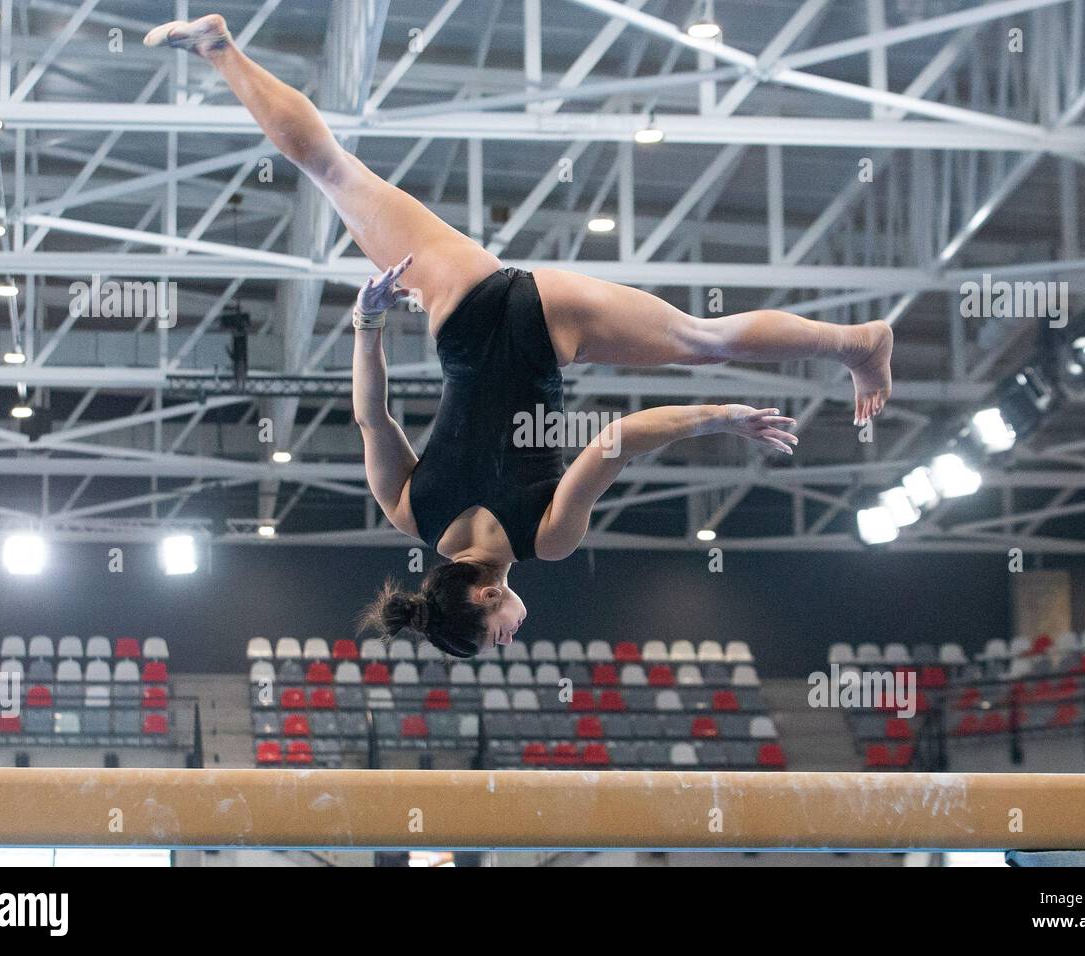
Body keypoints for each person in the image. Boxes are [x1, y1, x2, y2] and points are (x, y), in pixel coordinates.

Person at [146, 16, 894, 657]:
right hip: (463, 309)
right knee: (332, 171)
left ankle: (857, 344)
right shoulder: (414, 513)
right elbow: (372, 417)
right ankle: (220, 49)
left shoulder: (548, 538)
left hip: (547, 323)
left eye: (496, 634)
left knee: (706, 340)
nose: (510, 637)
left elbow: (616, 442)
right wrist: (367, 326)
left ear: (486, 594)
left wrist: (722, 418)